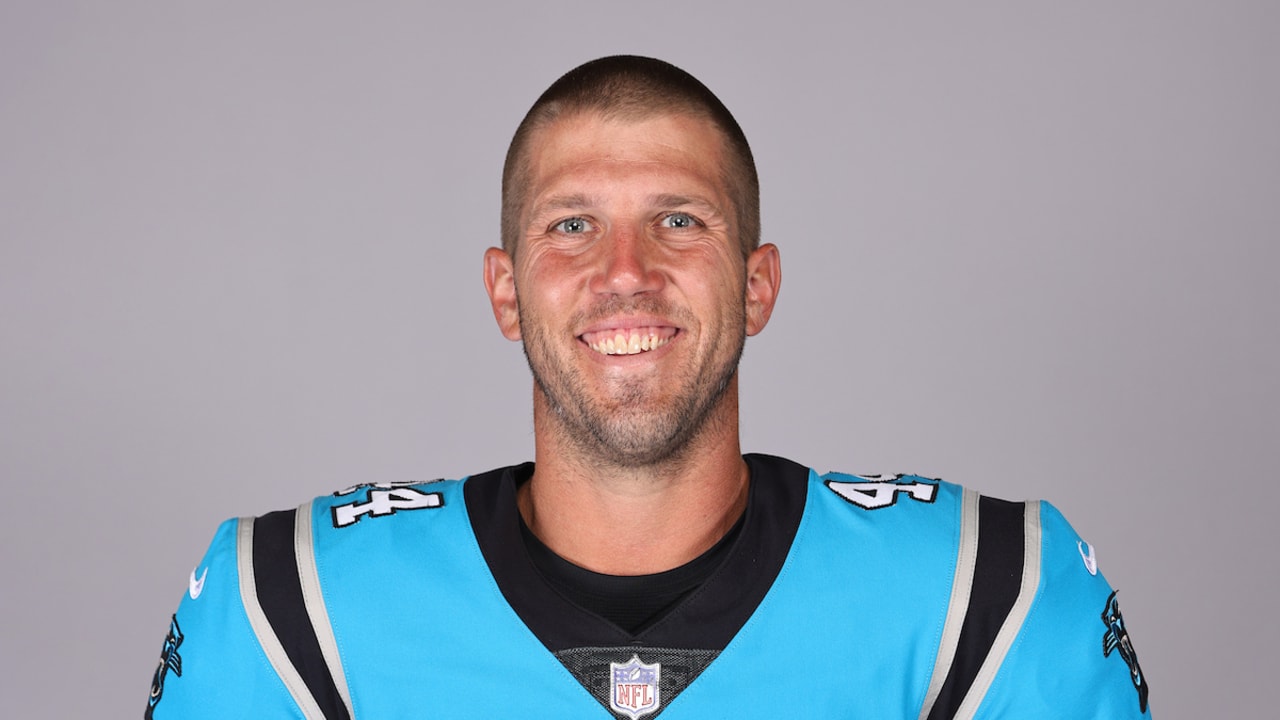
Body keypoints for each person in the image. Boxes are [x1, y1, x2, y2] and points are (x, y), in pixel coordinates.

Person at [145, 55, 1151, 720]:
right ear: (504, 290)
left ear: (755, 285)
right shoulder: (288, 614)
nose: (625, 270)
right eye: (570, 225)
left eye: (679, 219)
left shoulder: (988, 600)